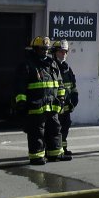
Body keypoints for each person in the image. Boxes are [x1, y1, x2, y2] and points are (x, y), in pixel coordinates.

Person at [13, 37, 65, 165]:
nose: (45, 52)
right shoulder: (27, 65)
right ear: (35, 49)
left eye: (46, 49)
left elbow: (60, 83)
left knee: (55, 129)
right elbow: (20, 86)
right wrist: (21, 102)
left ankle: (55, 154)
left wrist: (62, 98)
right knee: (37, 131)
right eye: (42, 49)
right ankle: (36, 156)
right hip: (36, 105)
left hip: (52, 105)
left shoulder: (52, 63)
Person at [51, 40, 79, 157]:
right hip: (55, 105)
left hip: (66, 105)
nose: (63, 54)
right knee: (54, 128)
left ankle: (63, 147)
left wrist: (74, 97)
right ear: (55, 53)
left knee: (65, 127)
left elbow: (72, 86)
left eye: (65, 52)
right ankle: (53, 148)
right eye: (61, 52)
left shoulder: (67, 68)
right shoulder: (51, 67)